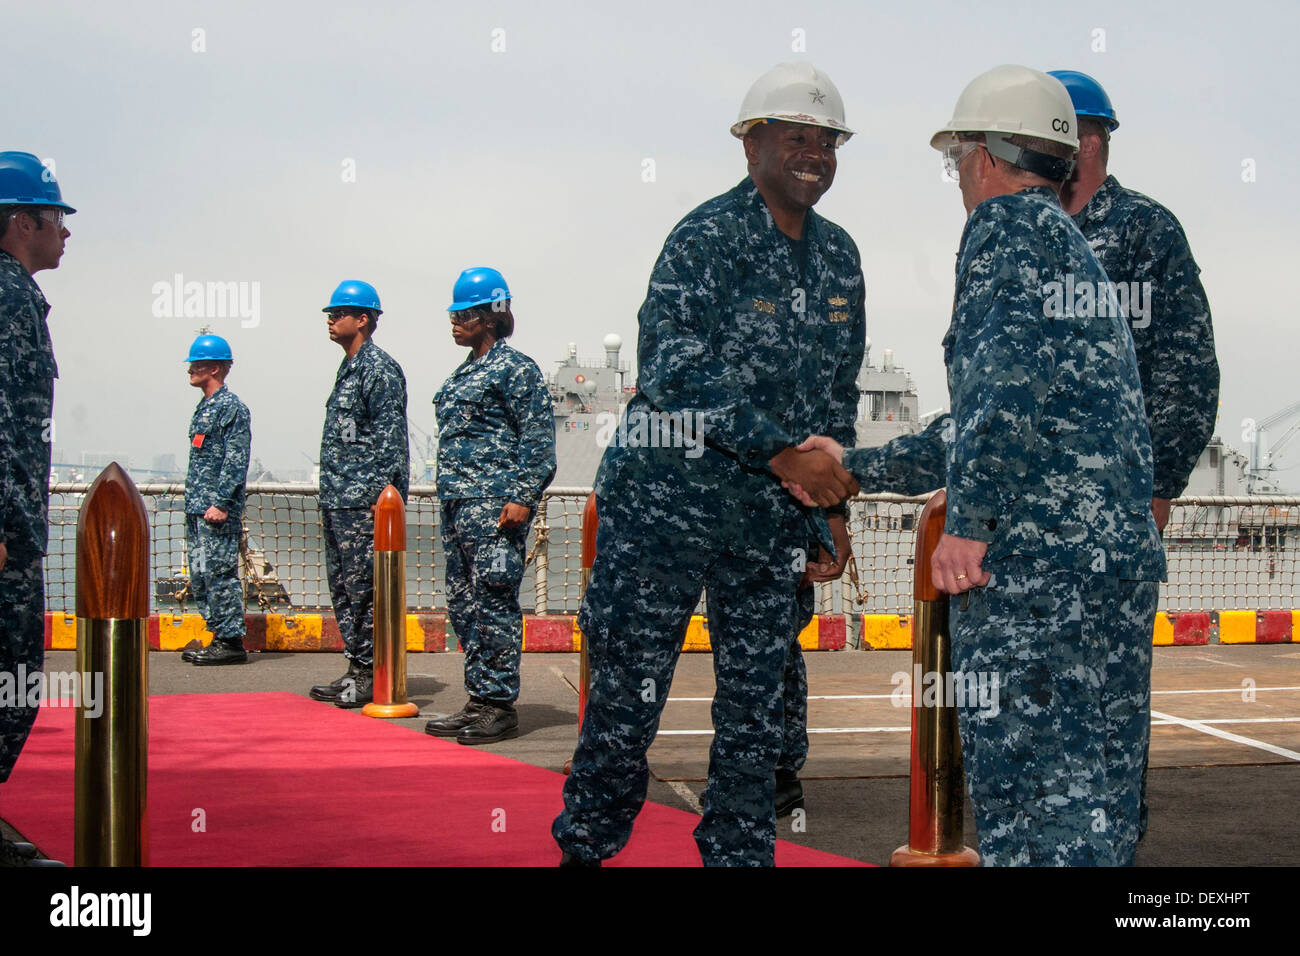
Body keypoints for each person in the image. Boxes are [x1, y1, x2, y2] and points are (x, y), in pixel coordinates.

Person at [791, 65, 1166, 866]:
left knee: (1033, 801)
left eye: (957, 157)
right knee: (1095, 789)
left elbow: (996, 395)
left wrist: (972, 525)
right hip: (1105, 567)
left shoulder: (1003, 231)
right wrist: (855, 462)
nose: (958, 176)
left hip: (1037, 573)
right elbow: (990, 417)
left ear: (990, 157)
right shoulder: (1068, 246)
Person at [552, 62, 864, 867]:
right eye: (795, 137)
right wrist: (780, 449)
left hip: (768, 520)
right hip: (666, 509)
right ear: (751, 142)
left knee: (758, 714)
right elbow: (674, 368)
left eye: (827, 141)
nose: (814, 154)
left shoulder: (841, 260)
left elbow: (836, 393)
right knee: (626, 701)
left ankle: (738, 857)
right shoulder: (706, 237)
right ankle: (586, 851)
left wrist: (829, 505)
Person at [1051, 69, 1219, 848]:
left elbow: (1187, 372)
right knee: (1028, 711)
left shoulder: (1148, 232)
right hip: (1027, 528)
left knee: (1111, 711)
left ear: (1089, 139)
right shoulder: (1018, 231)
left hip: (1114, 526)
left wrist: (1156, 492)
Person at [424, 268, 556, 745]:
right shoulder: (464, 373)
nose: (454, 322)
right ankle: (479, 696)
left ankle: (499, 705)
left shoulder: (515, 368)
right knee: (464, 604)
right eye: (455, 314)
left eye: (463, 314)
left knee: (495, 601)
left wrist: (523, 495)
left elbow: (539, 440)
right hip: (460, 506)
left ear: (488, 317)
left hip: (495, 509)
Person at [0, 150, 73, 867]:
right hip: (5, 529)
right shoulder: (7, 297)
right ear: (22, 222)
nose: (65, 233)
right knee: (11, 674)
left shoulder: (16, 294)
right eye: (56, 218)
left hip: (15, 524)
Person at [308, 280, 409, 709]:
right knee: (346, 591)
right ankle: (357, 669)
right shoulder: (349, 368)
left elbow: (392, 441)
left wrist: (384, 499)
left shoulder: (379, 370)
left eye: (339, 313)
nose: (330, 320)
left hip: (364, 504)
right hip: (338, 500)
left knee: (365, 591)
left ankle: (371, 673)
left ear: (362, 319)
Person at [178, 333, 252, 665]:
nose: (190, 370)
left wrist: (222, 503)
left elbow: (236, 460)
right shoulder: (205, 407)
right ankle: (216, 634)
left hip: (215, 510)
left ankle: (230, 641)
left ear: (216, 368)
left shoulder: (231, 408)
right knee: (201, 573)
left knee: (220, 573)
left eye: (197, 364)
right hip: (198, 507)